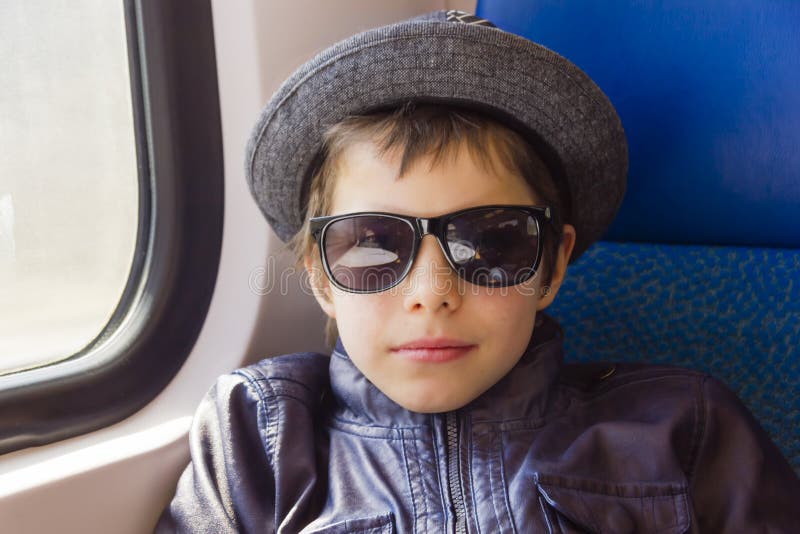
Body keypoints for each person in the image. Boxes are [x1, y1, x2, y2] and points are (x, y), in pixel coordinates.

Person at [156, 10, 800, 533]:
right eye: (374, 245)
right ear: (321, 276)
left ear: (551, 265)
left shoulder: (683, 429)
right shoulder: (262, 437)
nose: (431, 294)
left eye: (490, 243)